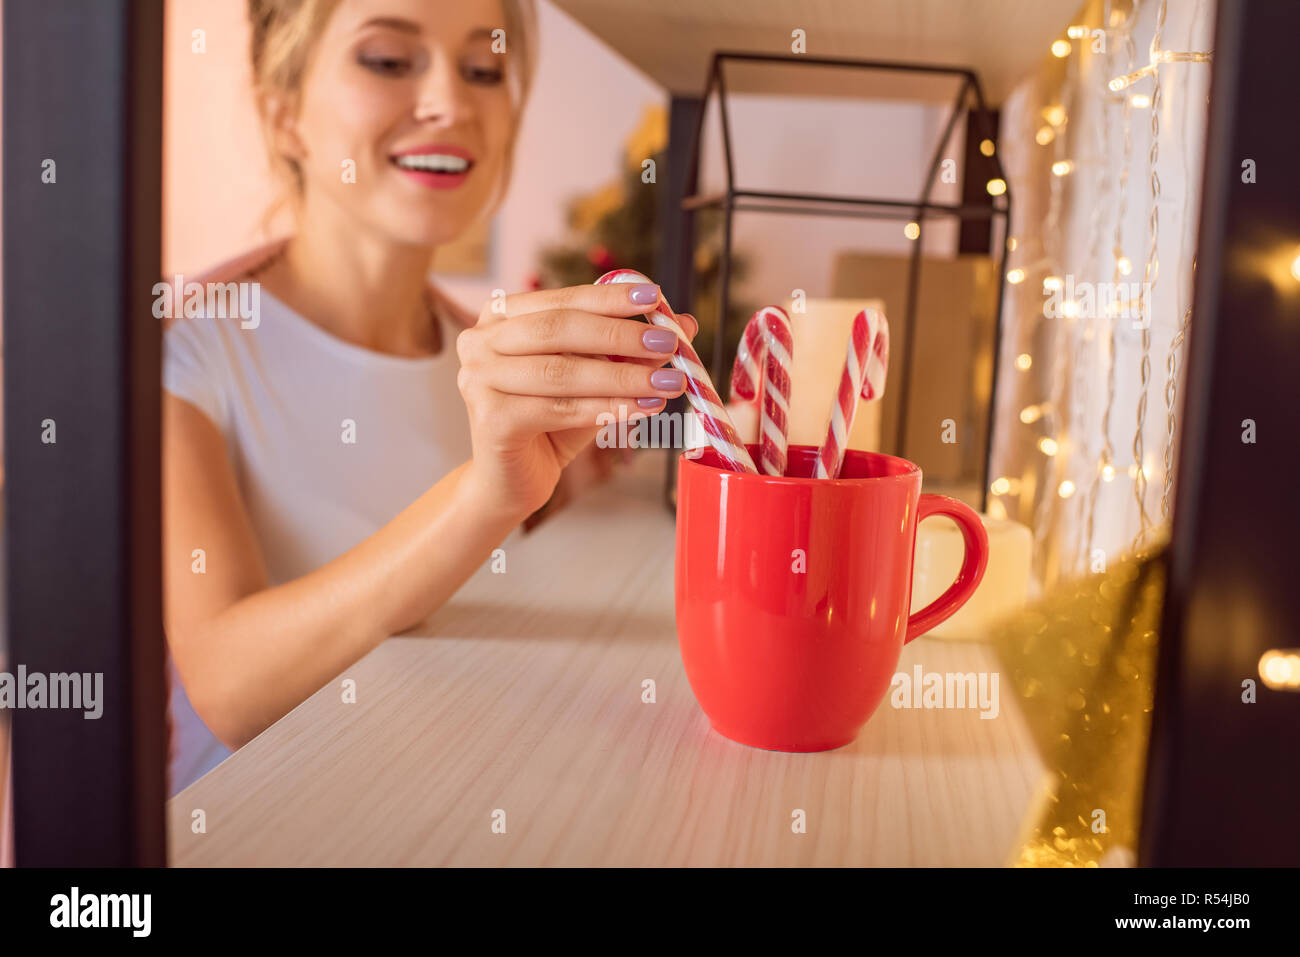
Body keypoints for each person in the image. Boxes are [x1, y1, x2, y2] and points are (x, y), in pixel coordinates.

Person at [162, 0, 698, 794]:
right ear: (284, 117)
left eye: (484, 69)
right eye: (387, 60)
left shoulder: (486, 353)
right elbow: (232, 691)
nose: (451, 100)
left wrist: (573, 483)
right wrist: (484, 495)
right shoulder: (180, 349)